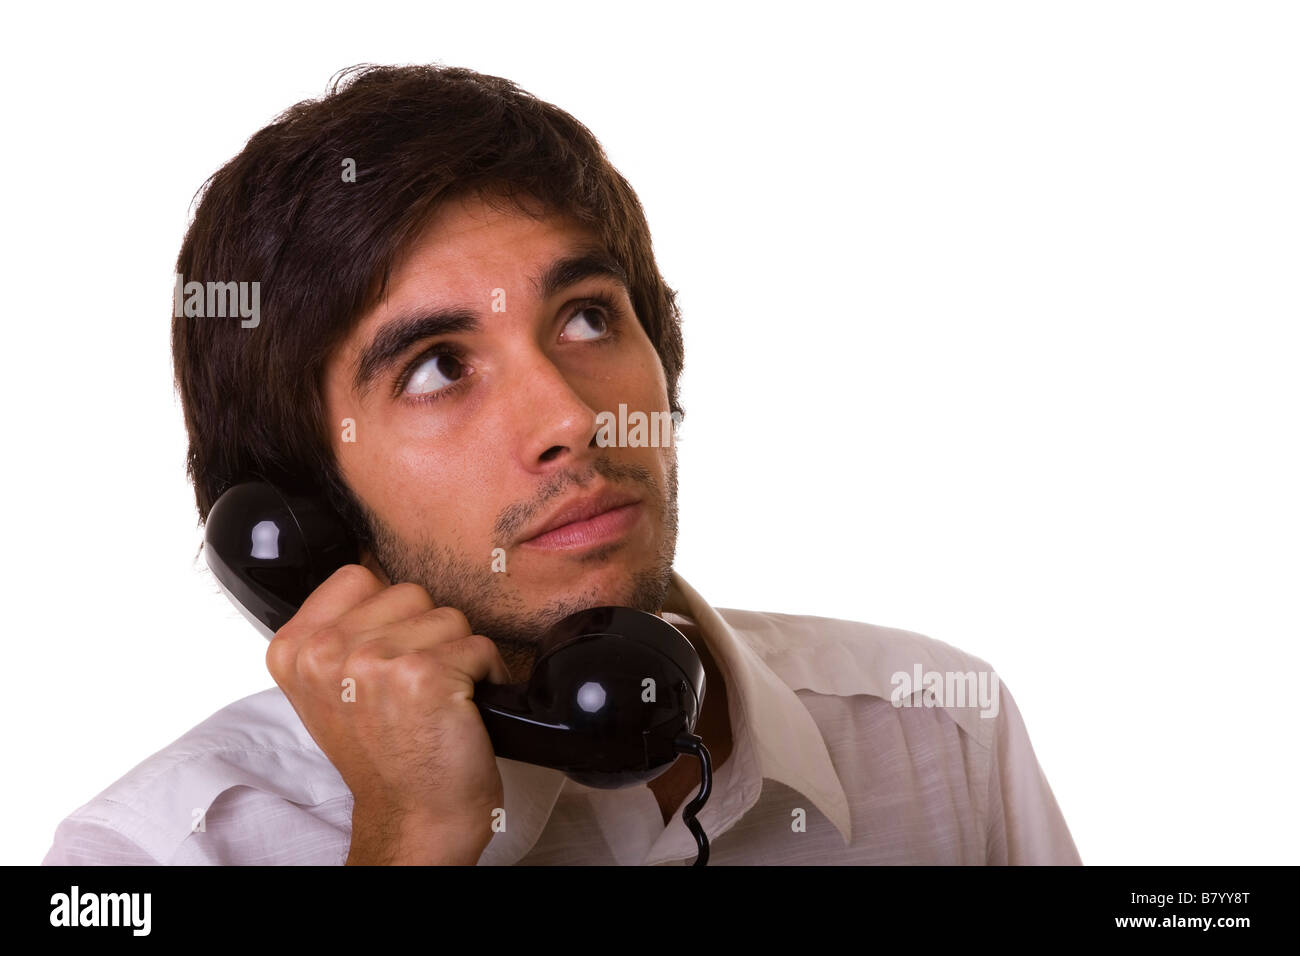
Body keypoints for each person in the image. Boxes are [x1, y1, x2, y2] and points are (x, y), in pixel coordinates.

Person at [42, 64, 1081, 865]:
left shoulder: (938, 731)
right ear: (307, 504)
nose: (573, 419)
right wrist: (408, 835)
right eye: (438, 366)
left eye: (586, 318)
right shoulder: (152, 852)